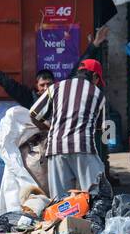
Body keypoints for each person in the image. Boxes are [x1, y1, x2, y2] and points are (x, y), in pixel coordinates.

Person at [0, 27, 108, 108]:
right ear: (37, 86)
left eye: (49, 84)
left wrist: (94, 44)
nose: (46, 87)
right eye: (42, 85)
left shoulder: (63, 92)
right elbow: (7, 83)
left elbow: (79, 69)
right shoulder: (30, 98)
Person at [28, 58, 107, 199]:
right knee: (95, 197)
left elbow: (33, 113)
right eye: (97, 80)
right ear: (94, 76)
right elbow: (100, 128)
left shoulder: (56, 87)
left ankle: (62, 221)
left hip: (56, 148)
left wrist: (50, 127)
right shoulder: (98, 94)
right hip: (83, 147)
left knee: (60, 201)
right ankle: (92, 220)